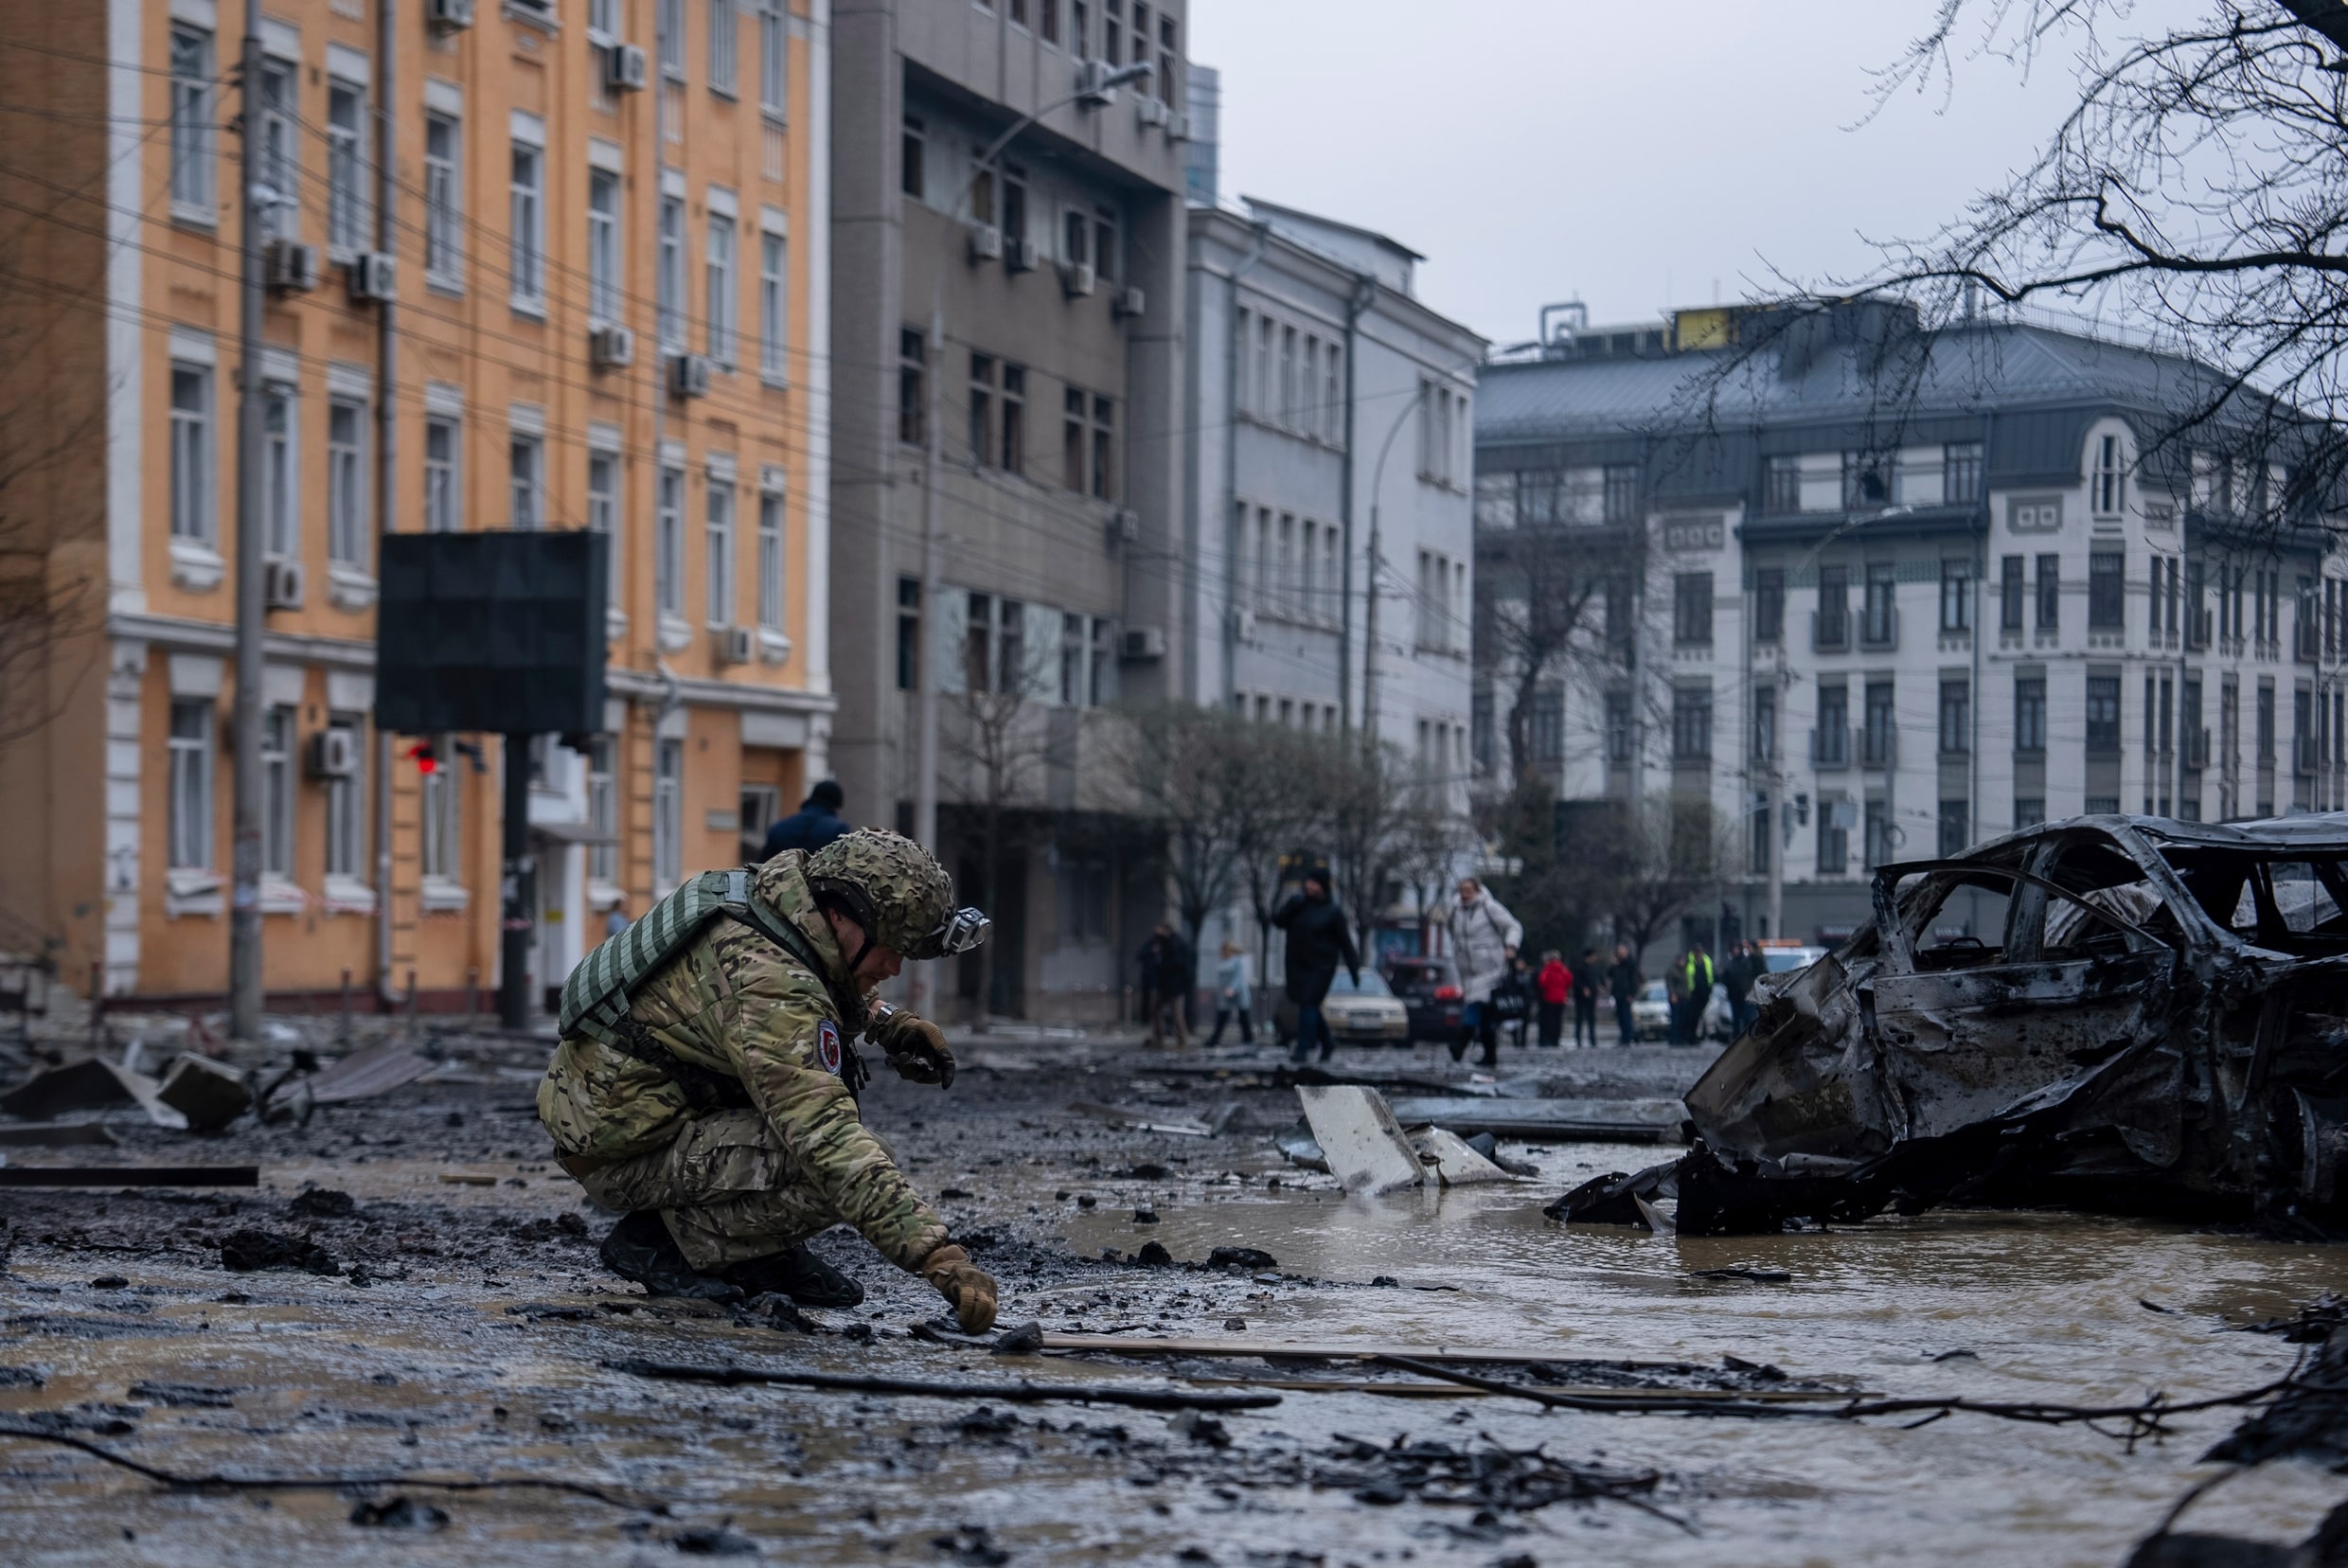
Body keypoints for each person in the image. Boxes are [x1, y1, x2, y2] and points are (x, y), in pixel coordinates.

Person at [538, 828, 998, 1333]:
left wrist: (889, 1023)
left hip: (638, 1119)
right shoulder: (765, 978)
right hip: (625, 1154)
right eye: (890, 946)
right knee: (831, 1164)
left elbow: (808, 975)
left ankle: (752, 1255)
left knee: (816, 1136)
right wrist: (940, 1256)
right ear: (841, 913)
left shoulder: (770, 900)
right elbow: (828, 1139)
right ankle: (666, 1244)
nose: (893, 965)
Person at [1272, 872, 1361, 1064]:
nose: (1309, 886)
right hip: (1297, 966)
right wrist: (1285, 902)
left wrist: (1354, 970)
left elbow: (1346, 943)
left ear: (1323, 886)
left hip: (1321, 967)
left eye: (1314, 883)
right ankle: (1328, 1043)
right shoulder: (1299, 905)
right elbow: (1278, 921)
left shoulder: (1333, 912)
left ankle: (1303, 1048)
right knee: (1308, 1005)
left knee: (1308, 1003)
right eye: (1308, 882)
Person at [1442, 878, 1523, 1068]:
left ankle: (1459, 1045)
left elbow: (1514, 926)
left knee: (1475, 1006)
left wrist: (1511, 946)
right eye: (1462, 890)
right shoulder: (1455, 910)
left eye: (1469, 890)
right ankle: (1490, 1056)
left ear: (1477, 891)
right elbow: (1451, 930)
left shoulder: (1489, 907)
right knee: (1487, 1014)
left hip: (1491, 968)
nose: (1464, 895)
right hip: (1468, 970)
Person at [762, 779, 851, 860]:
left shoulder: (780, 827)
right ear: (836, 806)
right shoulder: (839, 830)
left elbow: (761, 866)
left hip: (781, 876)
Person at [1150, 923, 1194, 1049]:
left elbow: (1178, 964)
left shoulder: (1175, 944)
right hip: (1167, 986)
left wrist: (1162, 965)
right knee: (1160, 1011)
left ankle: (1180, 1040)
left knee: (1176, 1013)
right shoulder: (1167, 943)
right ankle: (1164, 1039)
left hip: (1174, 986)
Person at [1204, 939, 1254, 1046]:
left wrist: (1232, 988)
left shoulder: (1237, 961)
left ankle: (1248, 1039)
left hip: (1238, 993)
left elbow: (1238, 977)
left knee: (1244, 1017)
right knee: (1222, 1017)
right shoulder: (1223, 962)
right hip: (1225, 994)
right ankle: (1215, 1039)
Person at [1677, 942, 1716, 1046]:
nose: (1699, 954)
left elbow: (1710, 977)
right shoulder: (1689, 962)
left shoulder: (1706, 962)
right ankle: (1689, 1037)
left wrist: (1709, 991)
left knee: (1697, 1017)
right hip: (1692, 995)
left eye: (1700, 952)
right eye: (1697, 952)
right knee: (1690, 1017)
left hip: (1703, 994)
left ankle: (1693, 1037)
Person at [1721, 941, 1759, 1040]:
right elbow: (1726, 978)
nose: (1736, 951)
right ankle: (1736, 1037)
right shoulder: (1731, 963)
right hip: (1734, 995)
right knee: (1736, 1019)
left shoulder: (1746, 962)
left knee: (1746, 1018)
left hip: (1744, 995)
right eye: (1734, 949)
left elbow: (1749, 978)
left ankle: (1745, 1037)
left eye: (1737, 948)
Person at [1535, 951, 1571, 1048]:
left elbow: (1542, 982)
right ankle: (1556, 1039)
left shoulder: (1548, 969)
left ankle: (1550, 1039)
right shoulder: (1563, 969)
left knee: (1550, 1020)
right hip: (1561, 998)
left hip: (1550, 998)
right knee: (1558, 1020)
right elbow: (1569, 980)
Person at [1608, 943, 1641, 1047]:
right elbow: (1609, 974)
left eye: (1622, 951)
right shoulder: (1617, 964)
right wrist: (1613, 965)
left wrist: (1631, 993)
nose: (1620, 953)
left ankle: (1628, 1037)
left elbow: (1634, 980)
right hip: (1618, 993)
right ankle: (1623, 1037)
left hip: (1627, 994)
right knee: (1621, 1017)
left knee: (1627, 1017)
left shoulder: (1631, 964)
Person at [1572, 949, 1602, 1049]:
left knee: (1591, 1018)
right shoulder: (1579, 967)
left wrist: (1599, 987)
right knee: (1580, 1018)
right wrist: (1583, 988)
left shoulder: (1594, 968)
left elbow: (1597, 980)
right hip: (1580, 997)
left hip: (1592, 997)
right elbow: (1576, 980)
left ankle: (1592, 1039)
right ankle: (1578, 1039)